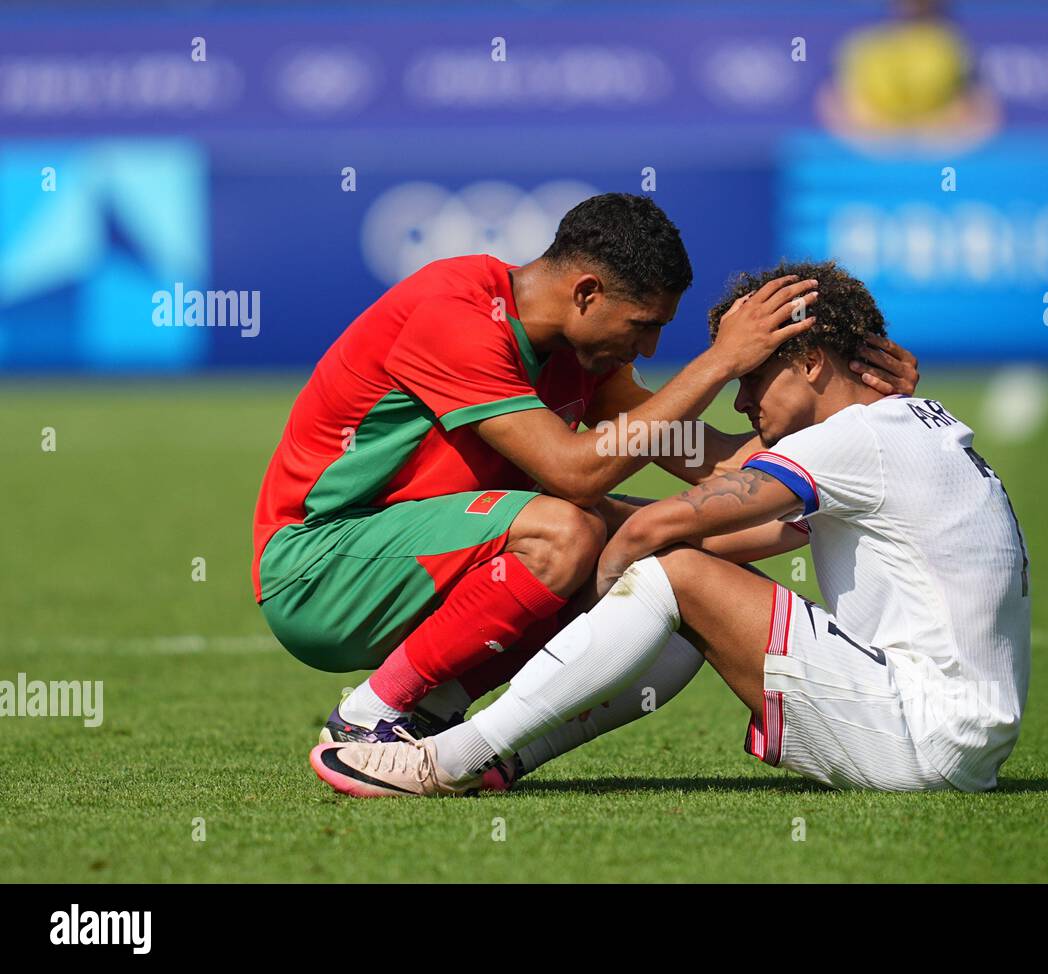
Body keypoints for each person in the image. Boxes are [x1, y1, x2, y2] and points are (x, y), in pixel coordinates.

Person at [310, 260, 1029, 796]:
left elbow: (658, 524)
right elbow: (740, 529)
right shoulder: (894, 429)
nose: (740, 398)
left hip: (916, 734)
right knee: (683, 592)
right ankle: (501, 759)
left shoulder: (854, 442)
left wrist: (600, 578)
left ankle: (442, 758)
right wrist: (632, 559)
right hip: (951, 741)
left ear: (811, 362)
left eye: (753, 375)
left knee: (669, 570)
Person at [252, 194, 920, 747]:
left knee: (657, 558)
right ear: (586, 293)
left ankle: (432, 714)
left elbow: (720, 465)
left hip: (412, 558)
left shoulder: (584, 358)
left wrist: (863, 409)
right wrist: (718, 363)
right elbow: (573, 475)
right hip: (317, 568)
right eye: (643, 325)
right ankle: (368, 716)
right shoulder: (454, 315)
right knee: (569, 529)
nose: (650, 347)